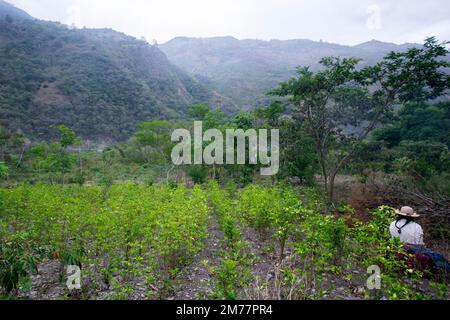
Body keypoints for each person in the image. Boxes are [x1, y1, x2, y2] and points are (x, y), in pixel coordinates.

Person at [390, 206, 450, 274]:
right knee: (437, 256)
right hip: (411, 249)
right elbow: (419, 243)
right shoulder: (416, 226)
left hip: (395, 247)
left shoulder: (392, 224)